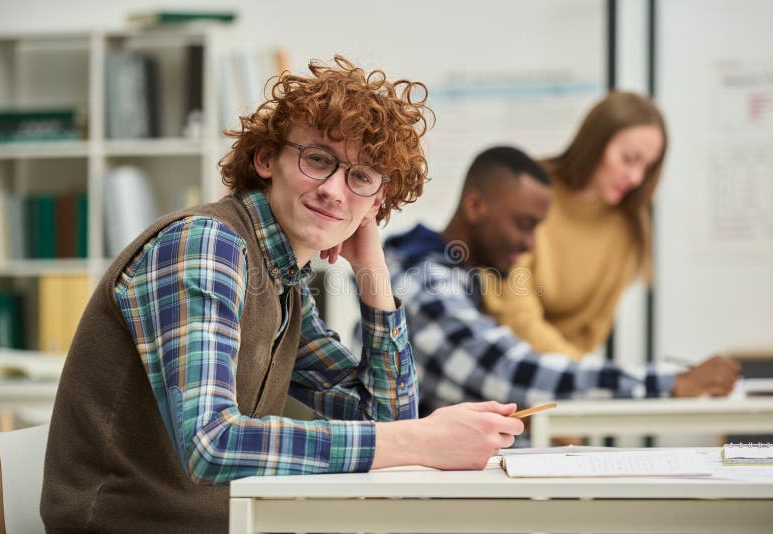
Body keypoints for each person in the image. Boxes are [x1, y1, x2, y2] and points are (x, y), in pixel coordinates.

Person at [40, 56, 524, 534]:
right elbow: (213, 444)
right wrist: (419, 440)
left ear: (377, 202)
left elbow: (379, 416)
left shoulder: (282, 278)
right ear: (267, 159)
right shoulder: (207, 246)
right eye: (318, 160)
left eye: (361, 176)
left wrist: (373, 272)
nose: (336, 190)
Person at [374, 145, 739, 417]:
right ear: (475, 207)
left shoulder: (465, 280)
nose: (531, 243)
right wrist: (670, 383)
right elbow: (508, 372)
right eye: (524, 224)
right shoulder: (422, 281)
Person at [483, 91, 668, 360]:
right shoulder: (528, 192)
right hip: (500, 364)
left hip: (564, 383)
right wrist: (577, 374)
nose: (636, 178)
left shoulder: (631, 228)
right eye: (629, 159)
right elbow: (513, 311)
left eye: (647, 167)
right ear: (595, 144)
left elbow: (592, 331)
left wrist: (576, 379)